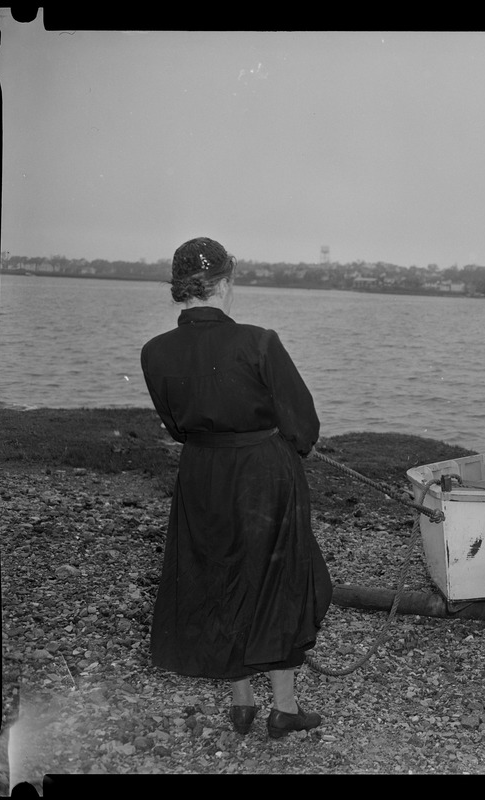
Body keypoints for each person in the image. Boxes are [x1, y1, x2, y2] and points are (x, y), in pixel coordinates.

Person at [140, 237, 332, 740]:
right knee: (277, 579)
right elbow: (304, 428)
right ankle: (283, 707)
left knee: (218, 574)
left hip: (202, 472)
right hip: (263, 476)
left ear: (180, 288)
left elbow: (177, 428)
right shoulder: (258, 341)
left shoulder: (154, 352)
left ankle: (242, 701)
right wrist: (287, 440)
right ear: (225, 282)